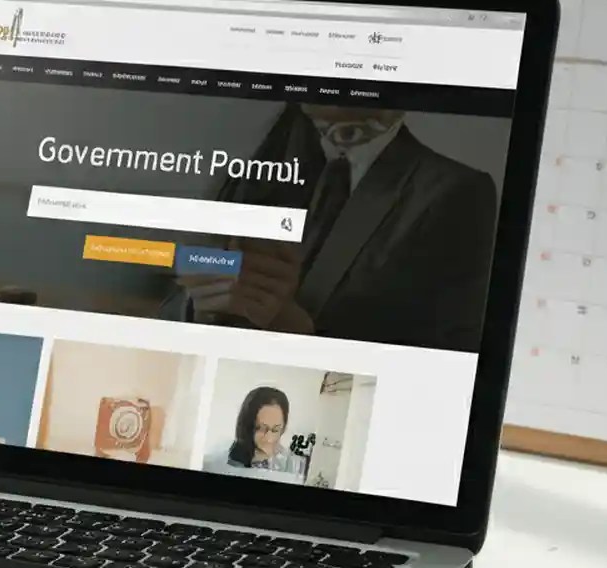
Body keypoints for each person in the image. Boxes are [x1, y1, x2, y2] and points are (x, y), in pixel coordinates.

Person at [166, 103, 499, 354]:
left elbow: (445, 362)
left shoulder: (456, 192)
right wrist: (202, 308)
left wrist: (298, 331)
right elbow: (172, 307)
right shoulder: (244, 174)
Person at [227, 387, 293, 470]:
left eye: (275, 430)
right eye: (261, 429)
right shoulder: (228, 463)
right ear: (247, 427)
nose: (269, 439)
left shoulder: (287, 462)